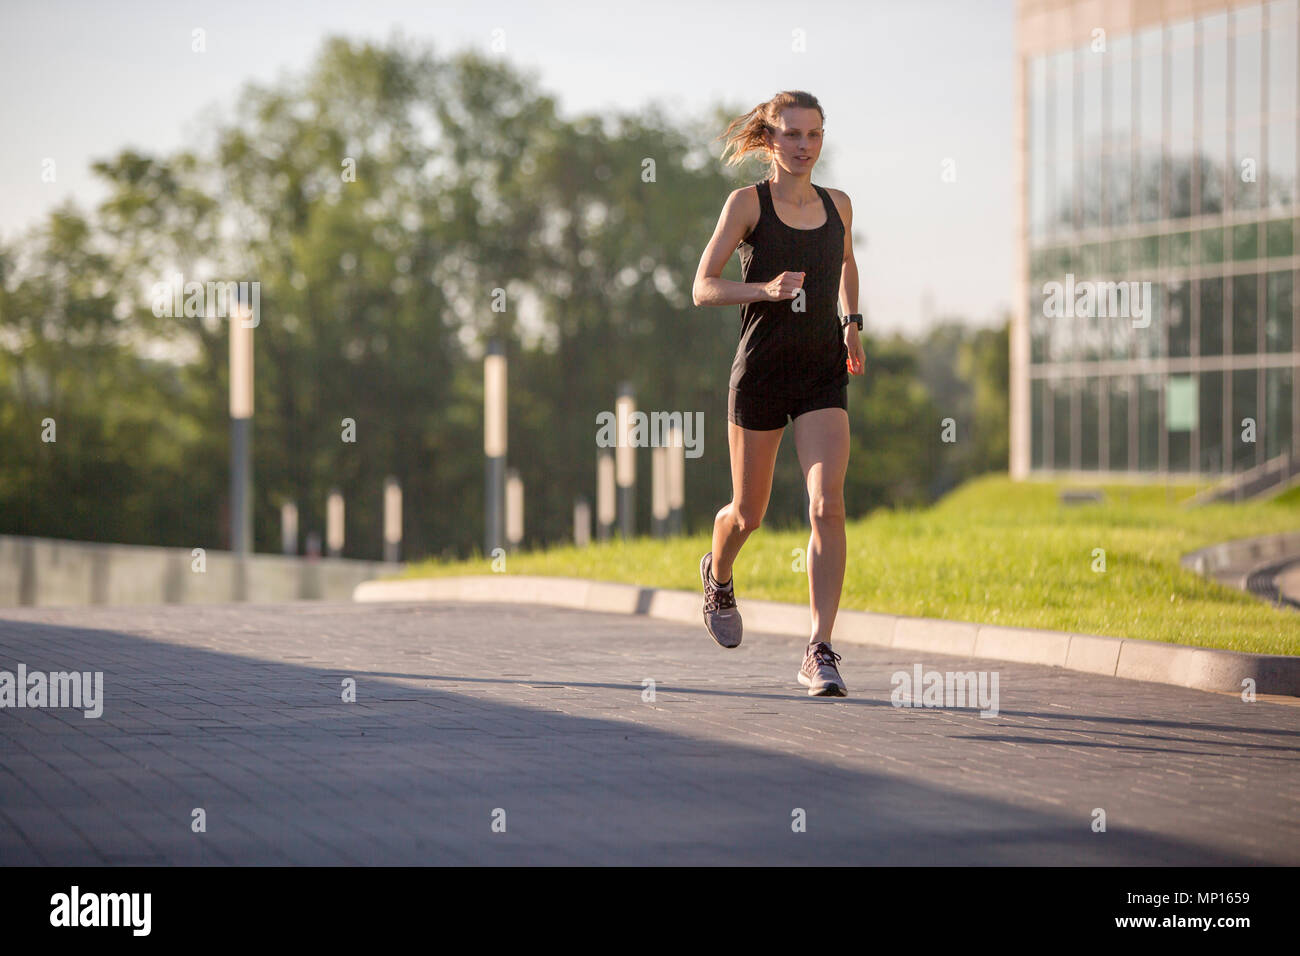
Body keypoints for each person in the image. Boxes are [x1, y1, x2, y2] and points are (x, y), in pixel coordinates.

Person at [690, 90, 865, 697]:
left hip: (821, 372)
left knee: (827, 505)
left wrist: (851, 324)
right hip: (761, 372)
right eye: (791, 134)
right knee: (749, 513)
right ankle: (718, 569)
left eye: (813, 135)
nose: (804, 146)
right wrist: (763, 290)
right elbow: (703, 287)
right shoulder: (747, 204)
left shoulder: (838, 203)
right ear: (770, 139)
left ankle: (819, 649)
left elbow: (846, 263)